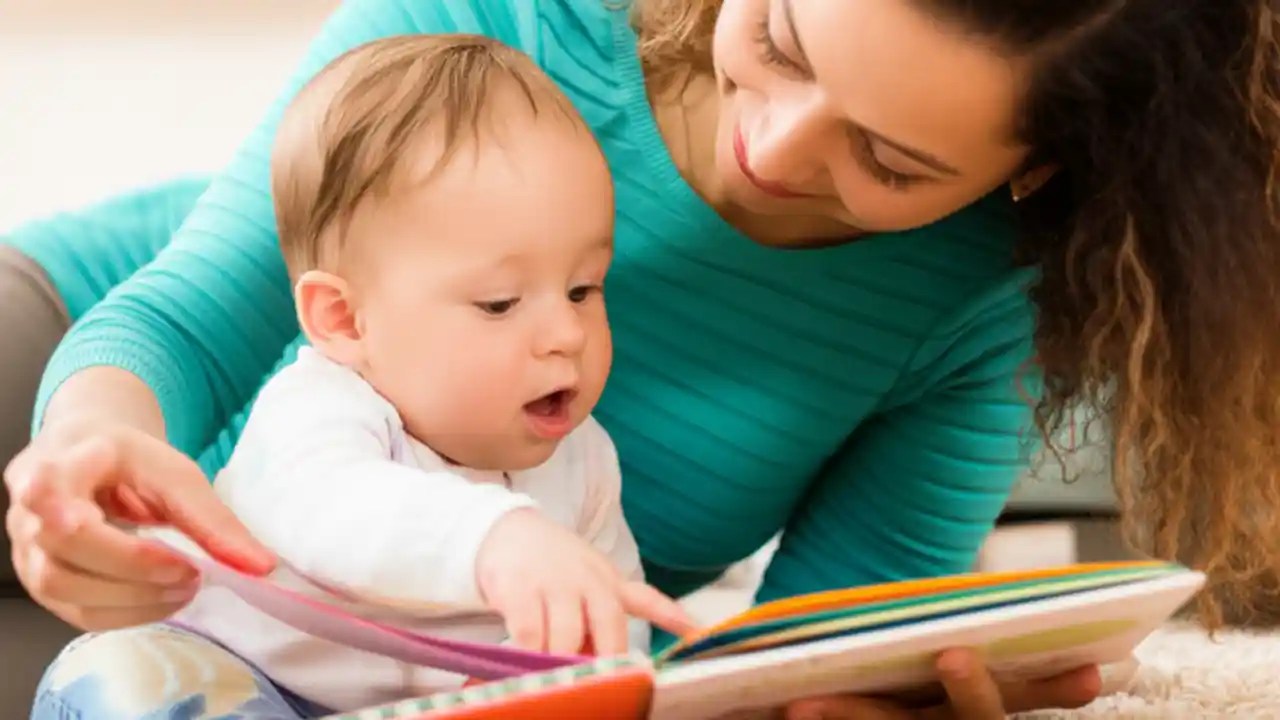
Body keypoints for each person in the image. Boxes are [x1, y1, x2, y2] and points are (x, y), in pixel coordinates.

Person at [5, 0, 1277, 717]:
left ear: (1034, 171)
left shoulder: (979, 306)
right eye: (776, 39)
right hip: (86, 360)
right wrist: (83, 458)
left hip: (304, 661)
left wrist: (892, 689)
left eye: (890, 162)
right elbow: (179, 324)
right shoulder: (518, 15)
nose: (770, 154)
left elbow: (783, 661)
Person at [149, 33, 694, 714]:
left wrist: (603, 675)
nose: (566, 334)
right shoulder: (316, 412)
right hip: (230, 673)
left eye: (584, 288)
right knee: (132, 679)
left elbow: (610, 620)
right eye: (500, 303)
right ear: (346, 320)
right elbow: (335, 514)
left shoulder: (584, 464)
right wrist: (496, 537)